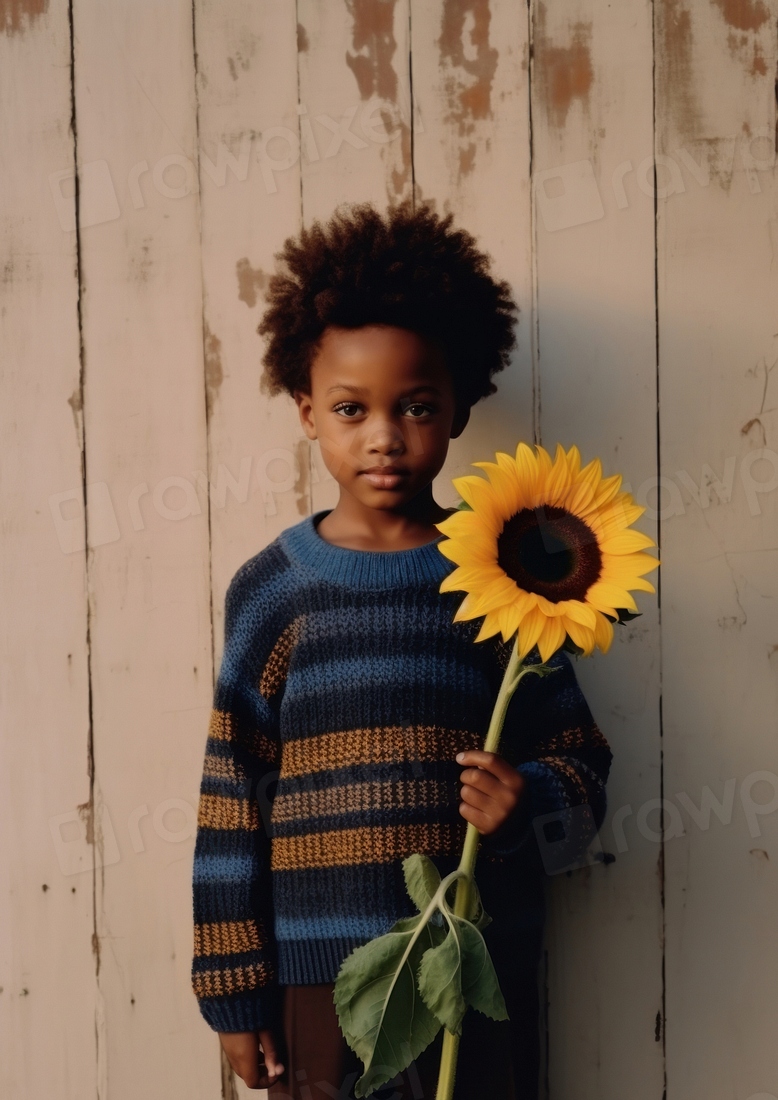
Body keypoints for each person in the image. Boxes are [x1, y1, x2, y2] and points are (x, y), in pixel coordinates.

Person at [190, 201, 612, 1099]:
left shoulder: (504, 578)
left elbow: (579, 762)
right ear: (308, 412)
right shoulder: (273, 592)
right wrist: (233, 993)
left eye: (416, 406)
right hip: (319, 980)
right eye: (352, 409)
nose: (384, 434)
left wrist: (526, 799)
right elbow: (232, 798)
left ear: (458, 408)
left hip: (474, 967)